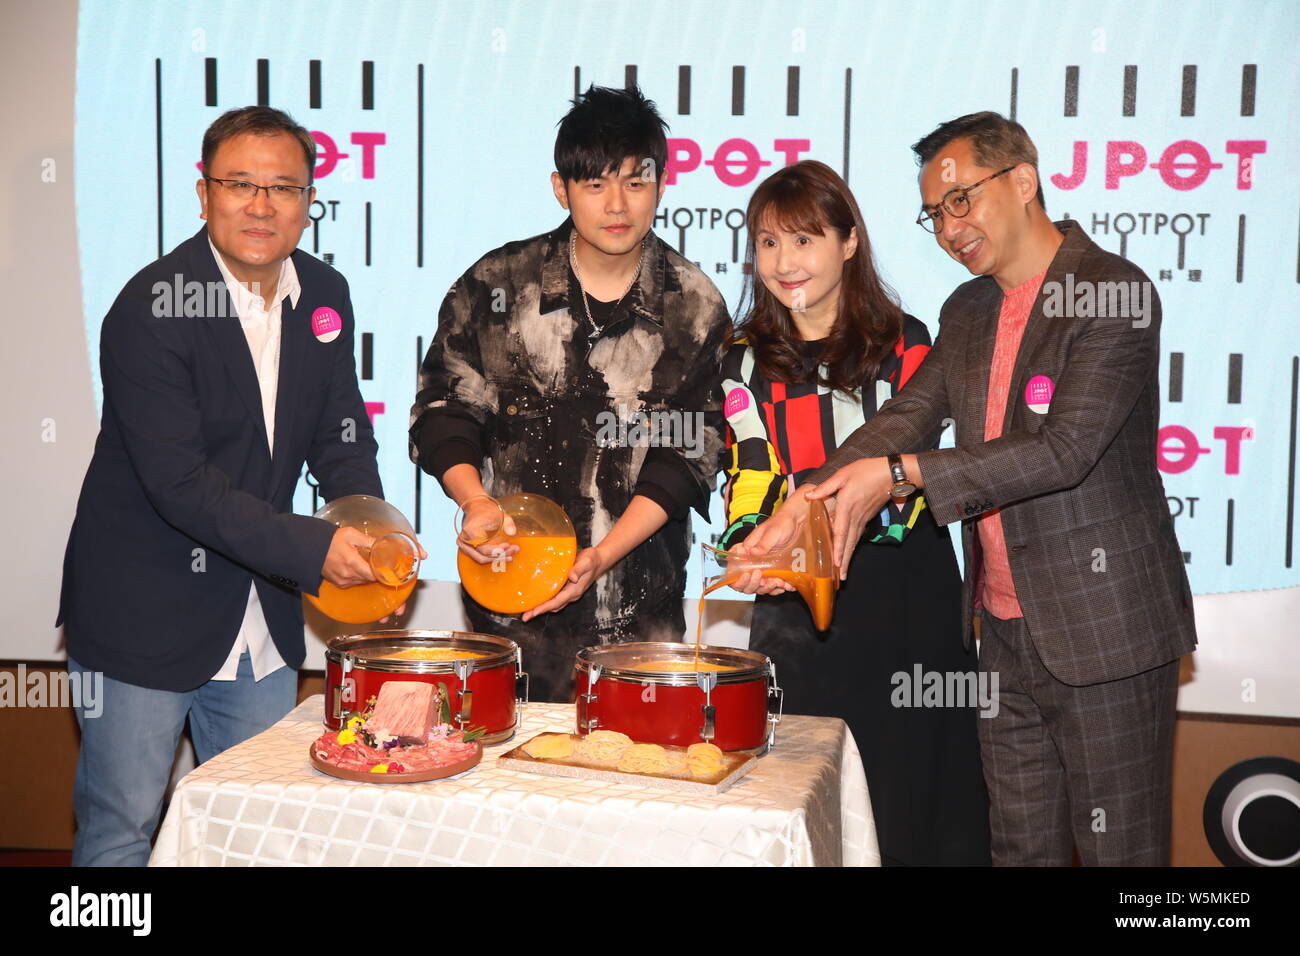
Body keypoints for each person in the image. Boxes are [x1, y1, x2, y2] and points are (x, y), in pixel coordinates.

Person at [747, 113, 1198, 866]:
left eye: (961, 200)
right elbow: (906, 418)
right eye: (933, 213)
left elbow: (1065, 451)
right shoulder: (970, 310)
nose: (949, 227)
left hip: (1104, 632)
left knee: (1123, 856)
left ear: (1023, 180)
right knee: (1018, 851)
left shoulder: (1112, 292)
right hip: (1000, 633)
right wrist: (808, 501)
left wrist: (902, 475)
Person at [58, 106, 388, 866]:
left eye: (284, 188)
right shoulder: (152, 309)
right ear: (203, 193)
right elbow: (181, 487)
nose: (262, 205)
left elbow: (341, 438)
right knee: (121, 832)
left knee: (256, 838)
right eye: (241, 185)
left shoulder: (326, 294)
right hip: (143, 617)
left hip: (261, 632)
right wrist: (317, 547)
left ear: (310, 201)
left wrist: (372, 527)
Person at [409, 86, 729, 702]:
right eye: (595, 185)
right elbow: (445, 410)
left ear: (663, 185)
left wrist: (602, 556)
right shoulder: (495, 286)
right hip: (507, 610)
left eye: (637, 182)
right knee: (506, 787)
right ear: (561, 189)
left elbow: (687, 457)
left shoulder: (694, 305)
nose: (618, 204)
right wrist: (475, 503)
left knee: (636, 784)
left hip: (639, 618)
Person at [719, 160, 989, 866]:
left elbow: (909, 477)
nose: (785, 262)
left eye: (805, 240)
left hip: (902, 591)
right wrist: (750, 545)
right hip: (793, 604)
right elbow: (750, 468)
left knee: (909, 793)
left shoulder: (908, 341)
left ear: (847, 242)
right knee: (800, 792)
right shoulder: (742, 358)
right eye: (769, 244)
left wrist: (823, 533)